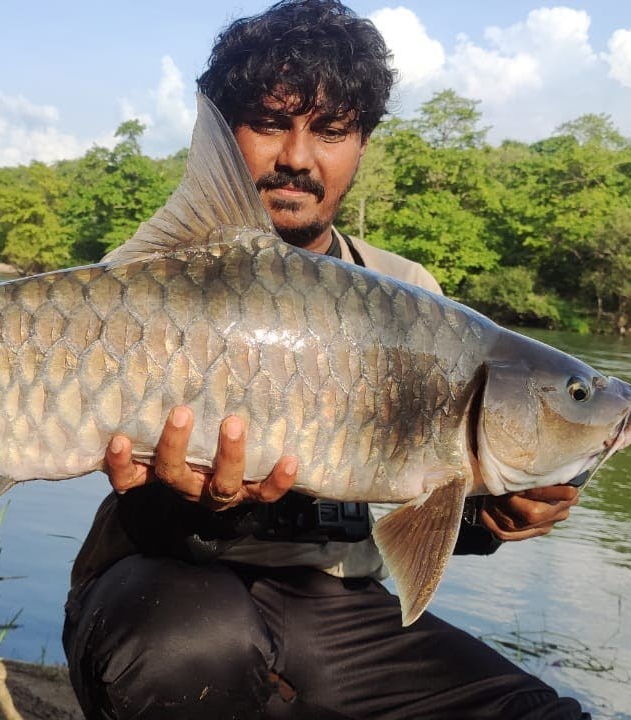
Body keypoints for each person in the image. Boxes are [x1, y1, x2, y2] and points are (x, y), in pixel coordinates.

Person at [62, 1, 588, 717]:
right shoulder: (148, 283)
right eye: (269, 123)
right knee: (197, 649)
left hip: (331, 602)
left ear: (362, 143)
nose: (297, 158)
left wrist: (496, 510)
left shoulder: (411, 296)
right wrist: (170, 495)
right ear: (221, 132)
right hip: (159, 580)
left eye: (331, 131)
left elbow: (417, 506)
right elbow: (132, 492)